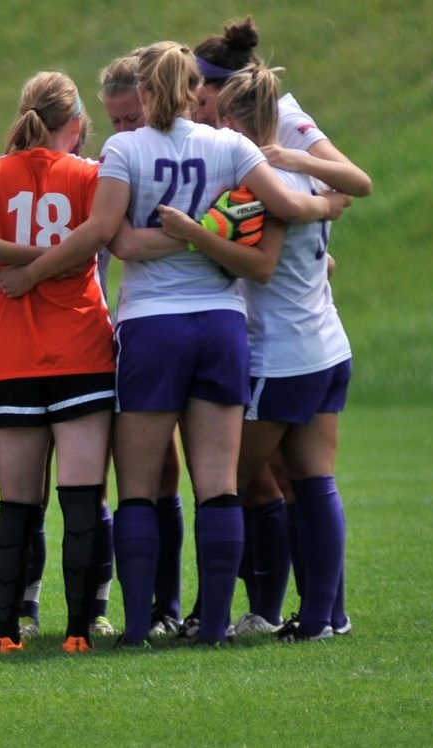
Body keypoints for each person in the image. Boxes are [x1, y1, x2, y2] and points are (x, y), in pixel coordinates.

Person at [0, 41, 348, 647]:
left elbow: (115, 240)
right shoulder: (231, 146)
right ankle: (212, 626)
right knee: (218, 483)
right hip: (220, 323)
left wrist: (32, 273)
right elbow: (289, 207)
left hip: (152, 326)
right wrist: (329, 202)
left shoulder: (123, 149)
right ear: (193, 89)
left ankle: (138, 628)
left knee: (137, 485)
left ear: (146, 94)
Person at [162, 62, 365, 642]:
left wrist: (192, 233)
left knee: (224, 485)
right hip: (325, 343)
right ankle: (326, 617)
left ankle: (211, 614)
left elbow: (261, 263)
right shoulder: (301, 176)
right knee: (312, 480)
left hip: (279, 355)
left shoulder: (263, 182)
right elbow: (315, 229)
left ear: (230, 120)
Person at [0, 71, 117, 655]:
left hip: (13, 358)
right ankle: (78, 632)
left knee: (18, 504)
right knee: (82, 500)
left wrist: (16, 266)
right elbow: (109, 238)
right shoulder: (91, 173)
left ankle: (5, 633)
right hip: (82, 348)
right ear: (75, 123)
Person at [97, 49, 186, 639]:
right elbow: (107, 245)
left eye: (131, 117)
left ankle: (166, 607)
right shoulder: (110, 166)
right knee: (120, 473)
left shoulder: (166, 158)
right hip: (112, 331)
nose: (124, 130)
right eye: (115, 121)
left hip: (159, 323)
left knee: (166, 472)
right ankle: (114, 607)